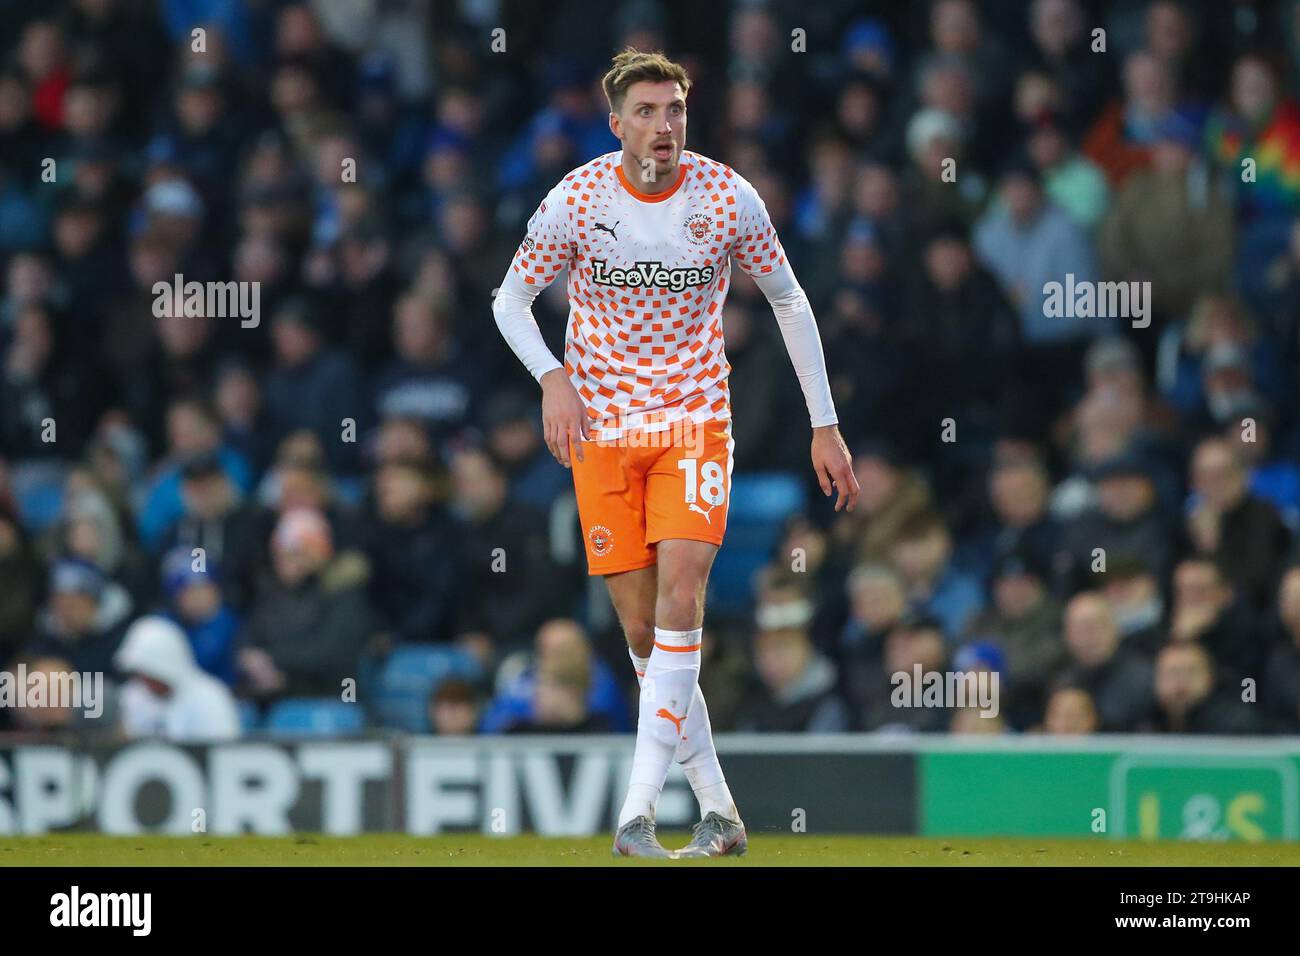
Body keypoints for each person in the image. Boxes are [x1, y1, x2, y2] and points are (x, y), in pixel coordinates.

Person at [492, 49, 858, 859]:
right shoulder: (577, 202)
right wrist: (553, 379)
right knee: (645, 636)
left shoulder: (727, 198)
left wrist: (823, 423)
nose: (666, 127)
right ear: (616, 122)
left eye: (677, 110)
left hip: (694, 420)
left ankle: (635, 814)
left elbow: (790, 301)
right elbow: (510, 300)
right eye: (649, 113)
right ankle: (721, 811)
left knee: (683, 595)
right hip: (602, 434)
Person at [113, 615, 241, 741]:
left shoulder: (211, 698)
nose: (145, 681)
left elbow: (223, 750)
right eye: (140, 673)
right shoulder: (131, 697)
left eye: (150, 674)